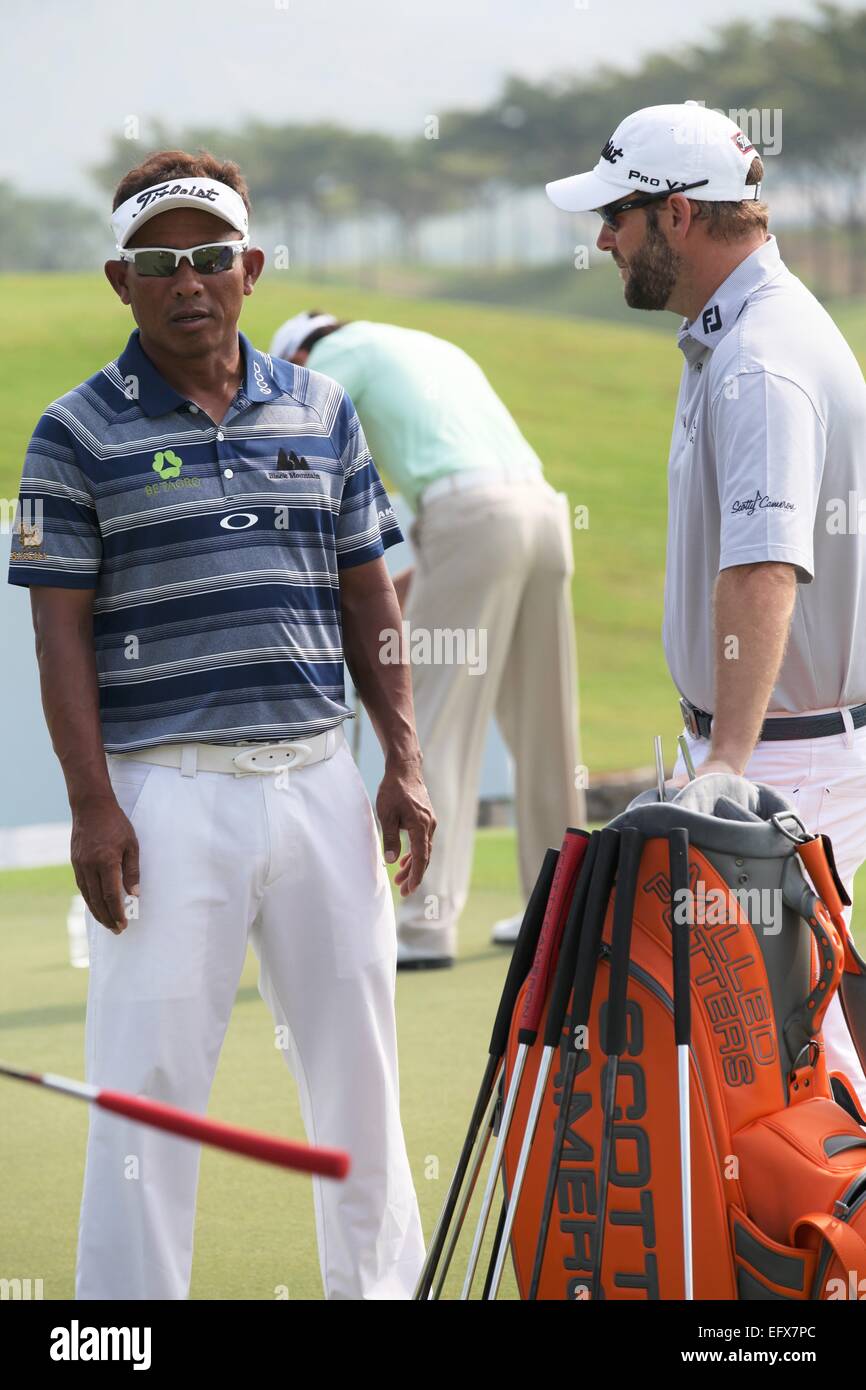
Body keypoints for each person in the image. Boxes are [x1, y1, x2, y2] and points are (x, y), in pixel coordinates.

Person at [7, 150, 436, 1299]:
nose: (187, 282)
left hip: (318, 783)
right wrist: (91, 806)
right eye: (160, 264)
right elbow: (58, 637)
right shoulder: (73, 432)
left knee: (360, 1076)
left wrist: (402, 759)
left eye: (209, 258)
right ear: (120, 280)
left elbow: (369, 595)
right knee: (145, 1088)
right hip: (162, 794)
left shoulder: (323, 408)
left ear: (248, 269)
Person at [546, 101, 866, 1101]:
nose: (601, 237)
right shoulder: (730, 336)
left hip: (786, 757)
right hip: (775, 749)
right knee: (814, 1048)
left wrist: (727, 762)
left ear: (676, 217)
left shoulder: (757, 361)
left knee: (794, 1076)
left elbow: (763, 566)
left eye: (617, 217)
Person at [270, 313, 585, 967]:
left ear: (302, 350)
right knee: (545, 730)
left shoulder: (333, 357)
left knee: (433, 725)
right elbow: (478, 531)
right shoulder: (426, 346)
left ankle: (423, 925)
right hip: (543, 516)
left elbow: (293, 449)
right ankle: (561, 914)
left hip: (474, 522)